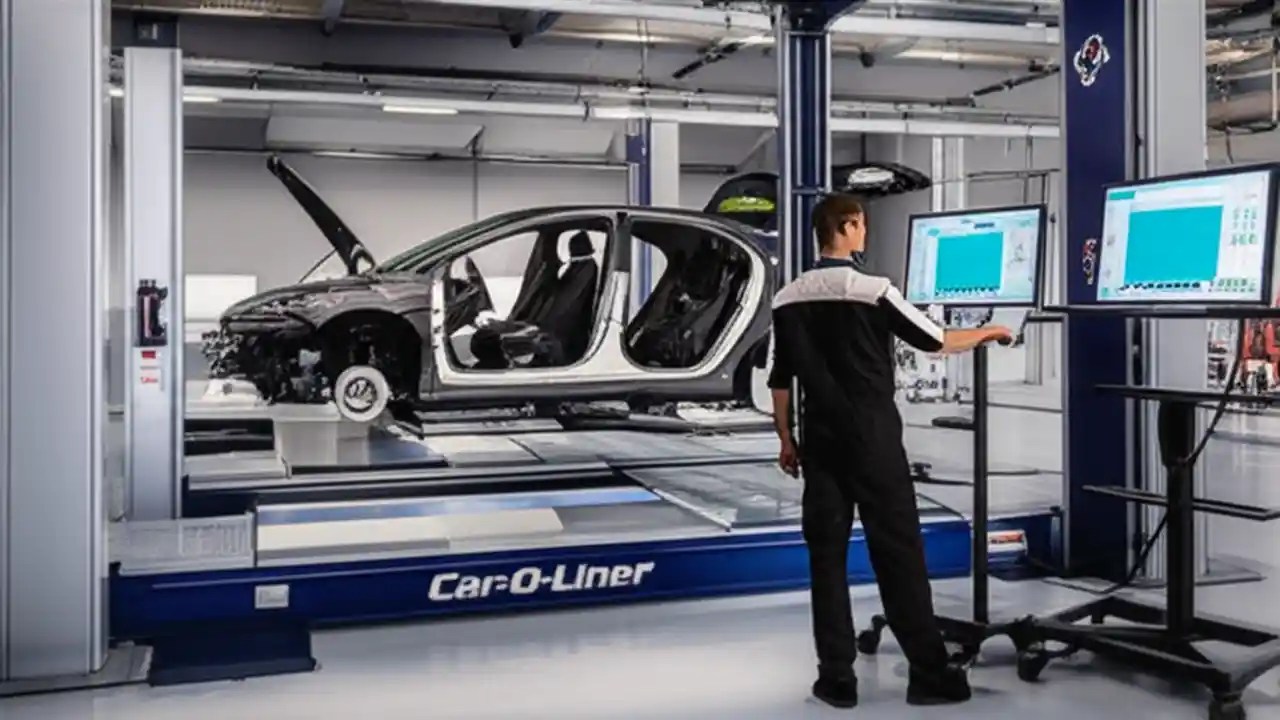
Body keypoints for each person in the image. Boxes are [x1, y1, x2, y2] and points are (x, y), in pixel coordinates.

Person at [768, 193, 1013, 709]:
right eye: (863, 226)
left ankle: (836, 678)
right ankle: (928, 673)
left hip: (822, 443)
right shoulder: (874, 290)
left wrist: (787, 439)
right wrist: (989, 331)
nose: (865, 234)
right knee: (898, 554)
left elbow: (781, 378)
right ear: (850, 226)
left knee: (827, 562)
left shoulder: (787, 298)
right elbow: (936, 339)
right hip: (874, 440)